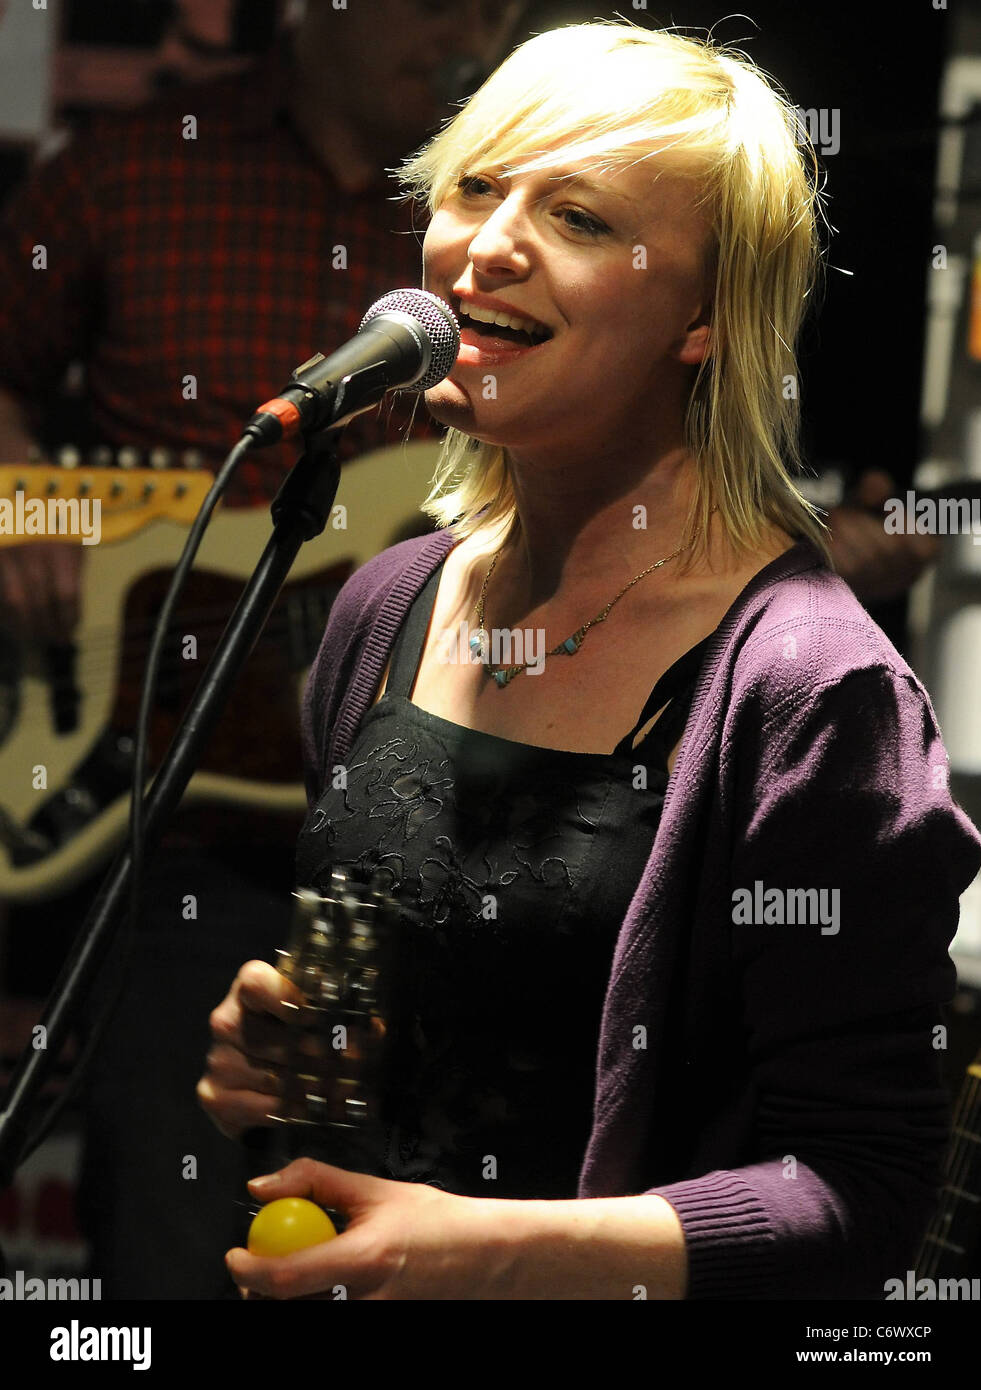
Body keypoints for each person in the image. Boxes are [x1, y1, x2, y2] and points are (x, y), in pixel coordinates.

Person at [196, 21, 981, 1299]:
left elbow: (862, 1196)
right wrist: (292, 1079)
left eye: (574, 216)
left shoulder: (809, 690)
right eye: (476, 186)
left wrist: (498, 1252)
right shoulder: (392, 595)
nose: (486, 245)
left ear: (705, 320)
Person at [0, 0, 527, 1298]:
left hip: (452, 851)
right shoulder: (133, 168)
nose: (477, 25)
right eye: (441, 0)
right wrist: (21, 508)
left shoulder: (508, 210)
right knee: (181, 1244)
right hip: (177, 813)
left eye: (503, 4)